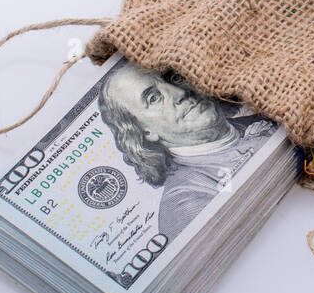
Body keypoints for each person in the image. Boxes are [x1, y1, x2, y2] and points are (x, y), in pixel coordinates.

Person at [98, 60, 275, 240]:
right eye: (153, 98)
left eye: (172, 78)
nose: (179, 92)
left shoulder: (270, 109)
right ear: (145, 131)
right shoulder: (184, 202)